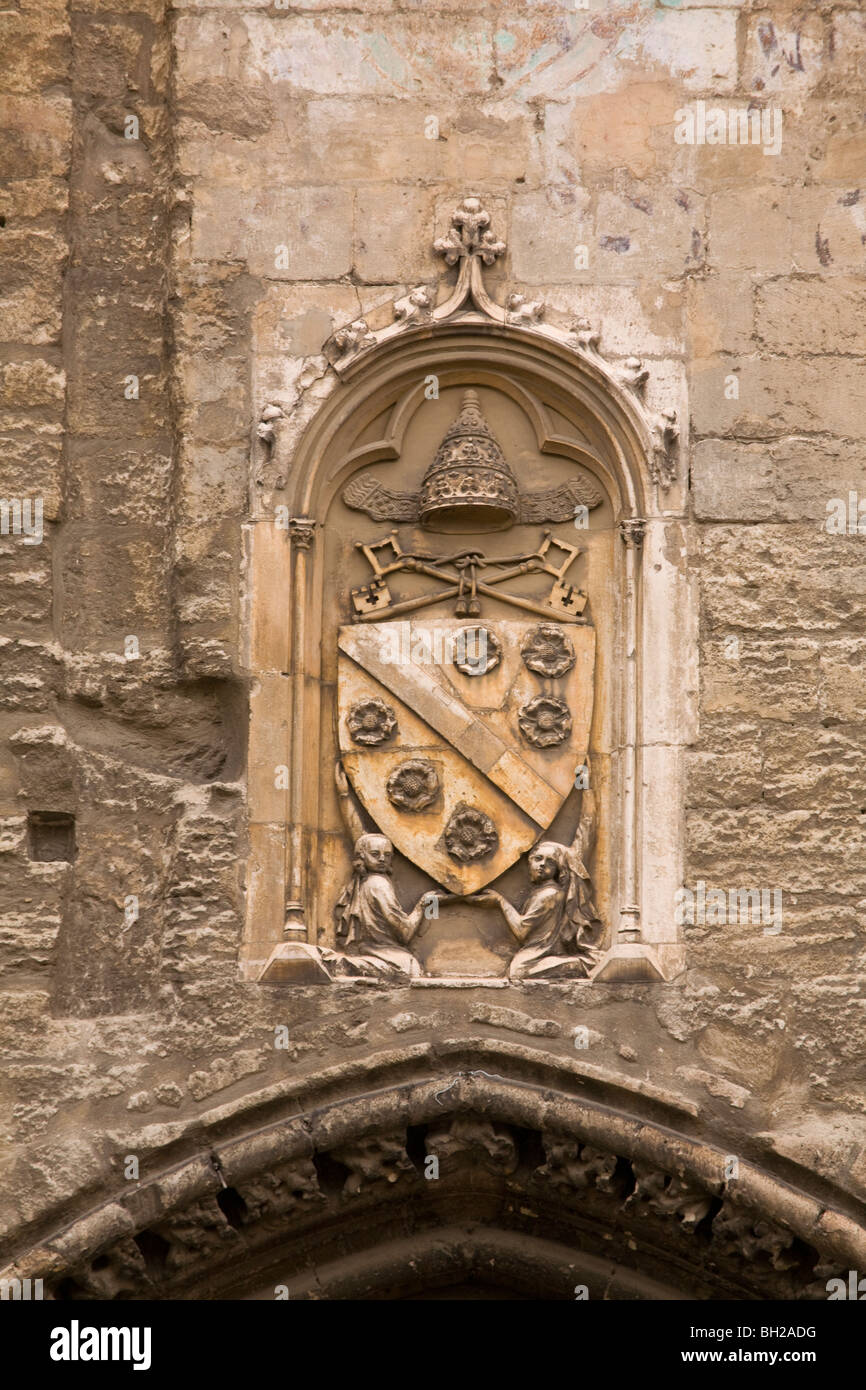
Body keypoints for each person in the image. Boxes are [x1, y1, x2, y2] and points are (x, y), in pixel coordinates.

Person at [475, 785, 602, 980]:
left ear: (559, 868)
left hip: (538, 954)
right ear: (529, 861)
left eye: (549, 862)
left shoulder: (548, 895)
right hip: (534, 952)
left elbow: (522, 931)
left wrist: (500, 901)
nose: (542, 865)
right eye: (538, 859)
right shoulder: (540, 892)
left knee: (518, 971)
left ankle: (577, 964)